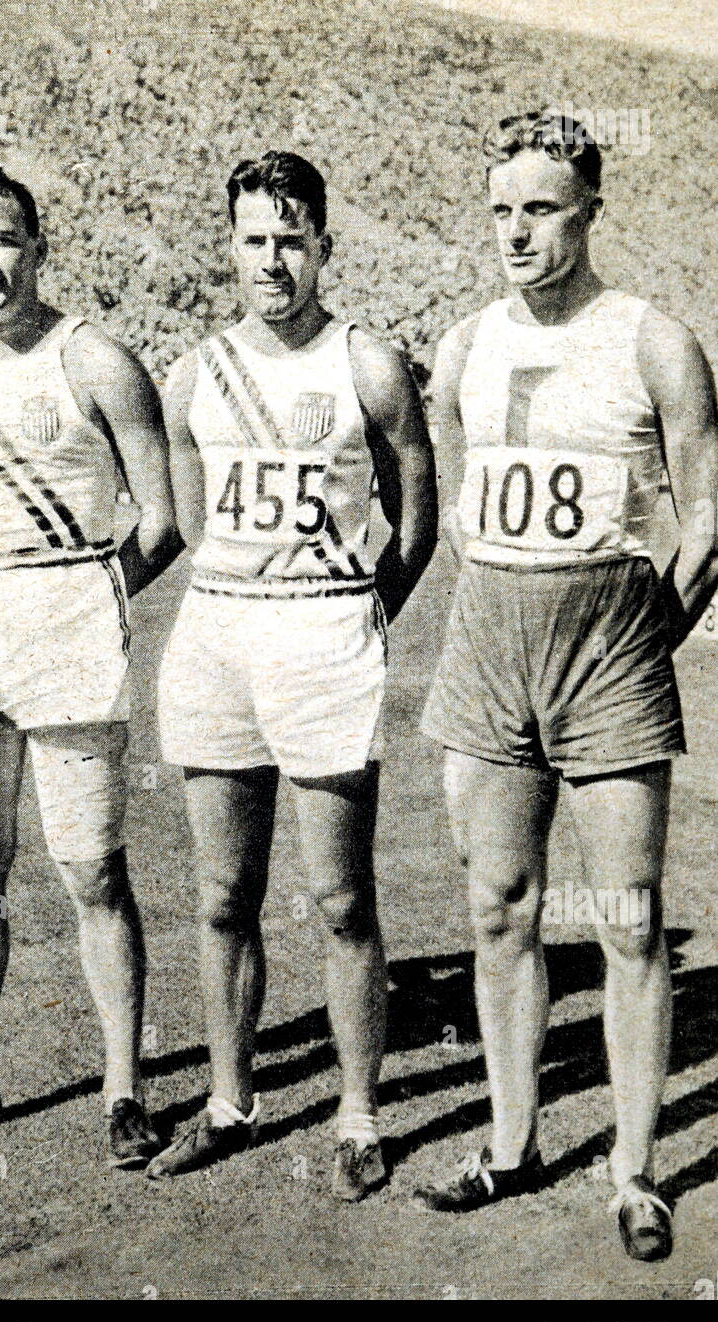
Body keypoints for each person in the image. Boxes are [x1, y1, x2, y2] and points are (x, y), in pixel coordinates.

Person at [412, 112, 718, 1260]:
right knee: (500, 909)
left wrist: (654, 634)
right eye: (501, 209)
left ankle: (636, 1171)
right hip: (493, 647)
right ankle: (510, 1142)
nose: (517, 231)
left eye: (541, 208)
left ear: (591, 209)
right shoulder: (461, 346)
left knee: (629, 919)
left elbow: (709, 513)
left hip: (609, 653)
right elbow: (457, 500)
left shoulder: (653, 340)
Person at [149, 150, 437, 1201]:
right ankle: (229, 1101)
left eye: (291, 238)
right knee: (224, 893)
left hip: (324, 639)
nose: (273, 261)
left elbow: (418, 512)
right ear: (230, 246)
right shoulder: (193, 374)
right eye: (253, 240)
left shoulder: (366, 365)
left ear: (324, 244)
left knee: (338, 894)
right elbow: (188, 521)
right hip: (221, 636)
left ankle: (359, 1112)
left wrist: (362, 612)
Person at [0, 167, 183, 1169]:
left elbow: (165, 516)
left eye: (4, 240)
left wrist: (88, 595)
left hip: (69, 627)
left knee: (92, 867)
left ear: (40, 247)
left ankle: (124, 1090)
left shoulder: (94, 359)